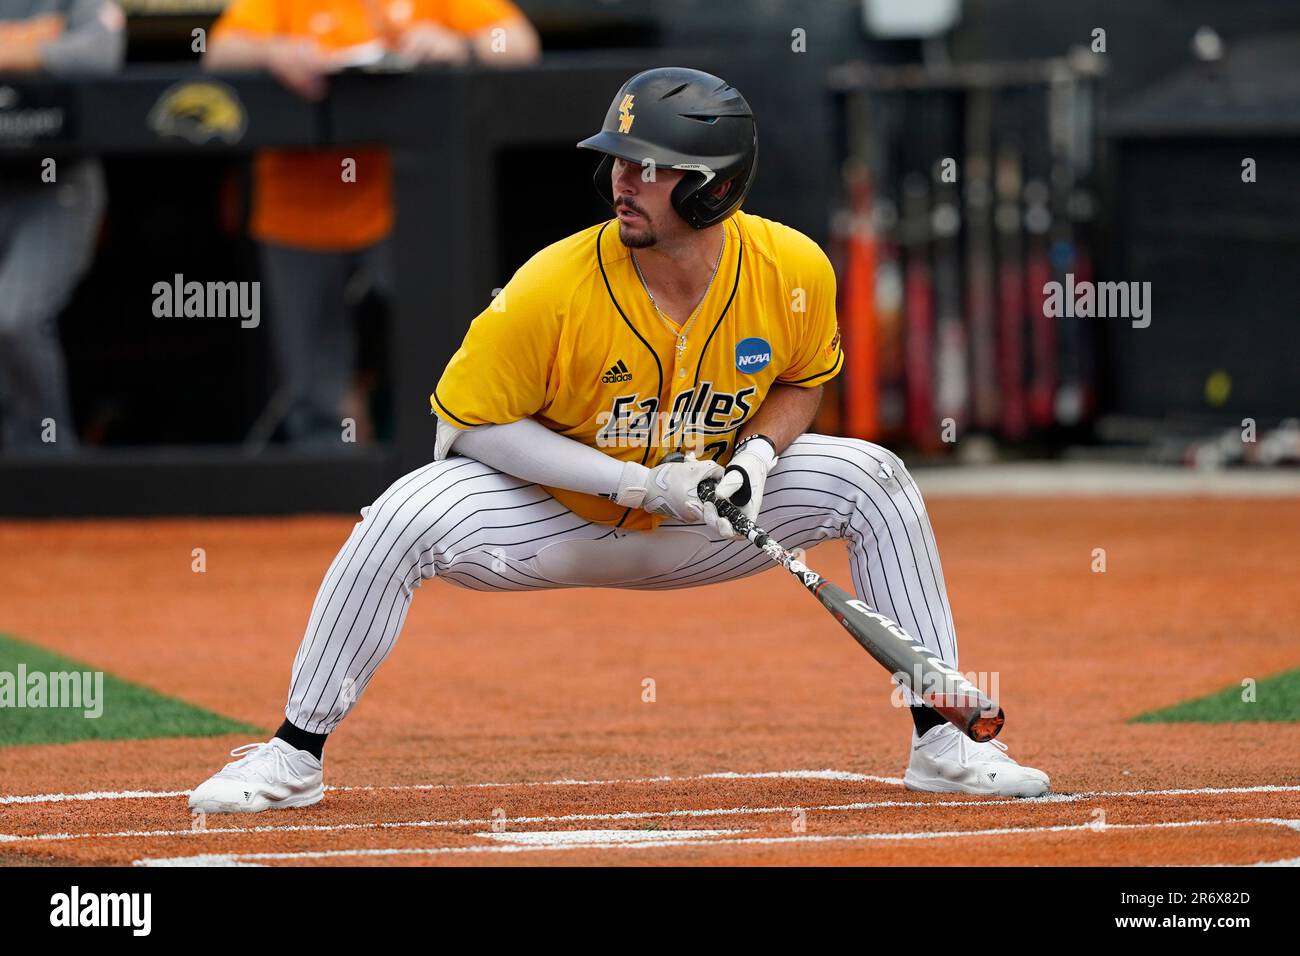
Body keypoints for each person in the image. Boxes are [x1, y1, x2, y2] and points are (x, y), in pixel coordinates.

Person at [189, 67, 1049, 813]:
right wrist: (634, 484)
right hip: (553, 522)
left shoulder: (794, 270)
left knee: (874, 476)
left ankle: (945, 745)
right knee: (403, 512)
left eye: (652, 168)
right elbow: (463, 425)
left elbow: (804, 376)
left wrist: (754, 462)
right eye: (620, 162)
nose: (622, 182)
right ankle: (293, 755)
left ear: (715, 186)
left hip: (710, 523)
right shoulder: (551, 285)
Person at [204, 0, 539, 446]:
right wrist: (273, 52)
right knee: (313, 389)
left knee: (442, 354)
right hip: (299, 208)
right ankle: (326, 495)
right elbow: (218, 52)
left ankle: (437, 476)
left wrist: (462, 46)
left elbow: (520, 43)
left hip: (403, 205)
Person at [0, 0, 124, 452]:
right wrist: (37, 41)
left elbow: (100, 54)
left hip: (57, 182)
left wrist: (12, 54)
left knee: (14, 317)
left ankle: (45, 458)